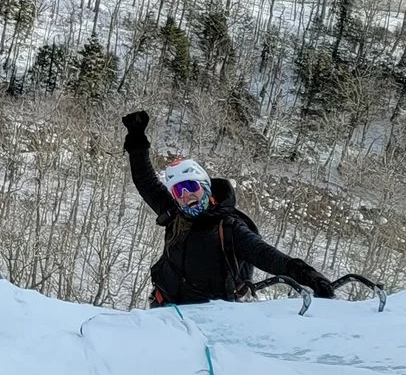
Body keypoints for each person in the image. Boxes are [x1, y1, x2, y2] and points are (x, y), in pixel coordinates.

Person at [121, 109, 335, 306]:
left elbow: (267, 255)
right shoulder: (176, 214)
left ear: (205, 186)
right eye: (179, 191)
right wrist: (137, 140)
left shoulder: (229, 227)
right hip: (165, 309)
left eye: (191, 186)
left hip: (211, 319)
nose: (186, 196)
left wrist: (309, 276)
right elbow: (146, 182)